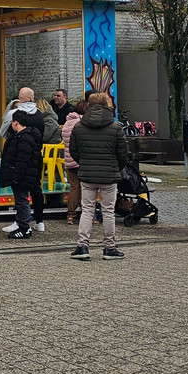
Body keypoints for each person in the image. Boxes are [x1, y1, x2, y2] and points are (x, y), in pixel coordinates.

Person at [68, 92, 129, 260]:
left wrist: (84, 163)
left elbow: (73, 151)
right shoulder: (115, 127)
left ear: (89, 105)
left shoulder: (79, 127)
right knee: (108, 211)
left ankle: (82, 246)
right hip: (109, 175)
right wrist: (116, 167)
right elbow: (123, 153)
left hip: (87, 175)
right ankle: (109, 248)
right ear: (106, 105)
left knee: (87, 210)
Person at [1, 100, 46, 234]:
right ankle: (26, 224)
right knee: (23, 199)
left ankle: (24, 227)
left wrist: (16, 176)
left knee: (22, 201)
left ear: (15, 122)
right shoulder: (28, 136)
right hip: (25, 174)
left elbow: (22, 160)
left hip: (22, 176)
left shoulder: (23, 138)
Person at [61, 100, 86, 224]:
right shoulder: (81, 123)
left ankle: (70, 215)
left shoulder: (68, 122)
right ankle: (87, 214)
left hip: (69, 159)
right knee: (85, 188)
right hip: (80, 160)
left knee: (74, 187)